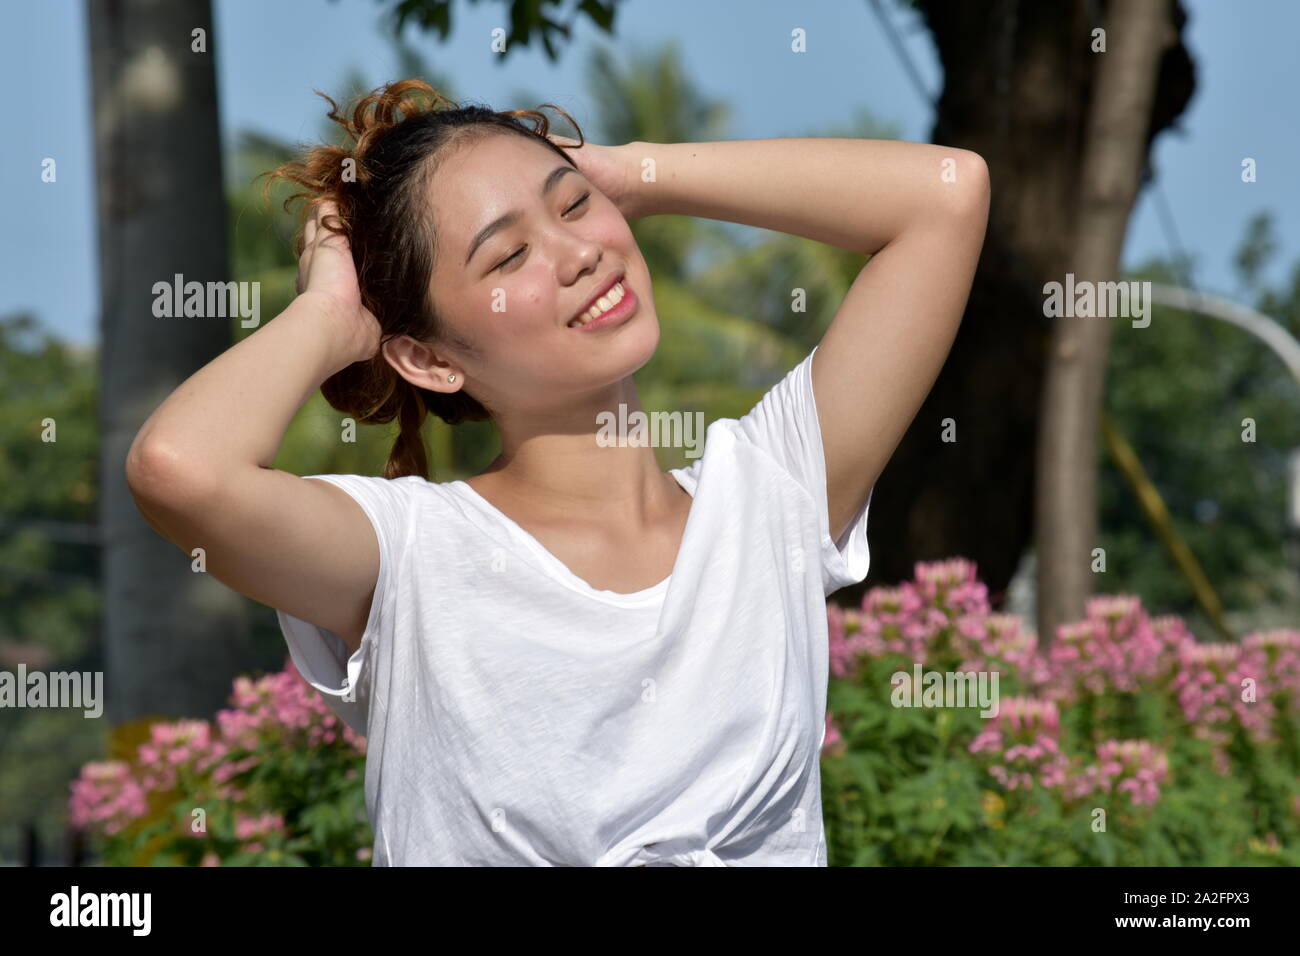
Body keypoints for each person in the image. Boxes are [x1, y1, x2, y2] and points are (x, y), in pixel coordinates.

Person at [126, 79, 989, 866]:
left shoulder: (769, 498)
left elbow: (946, 195)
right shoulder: (410, 555)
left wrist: (635, 173)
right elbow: (180, 470)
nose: (579, 253)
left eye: (576, 207)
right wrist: (328, 313)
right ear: (426, 358)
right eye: (508, 258)